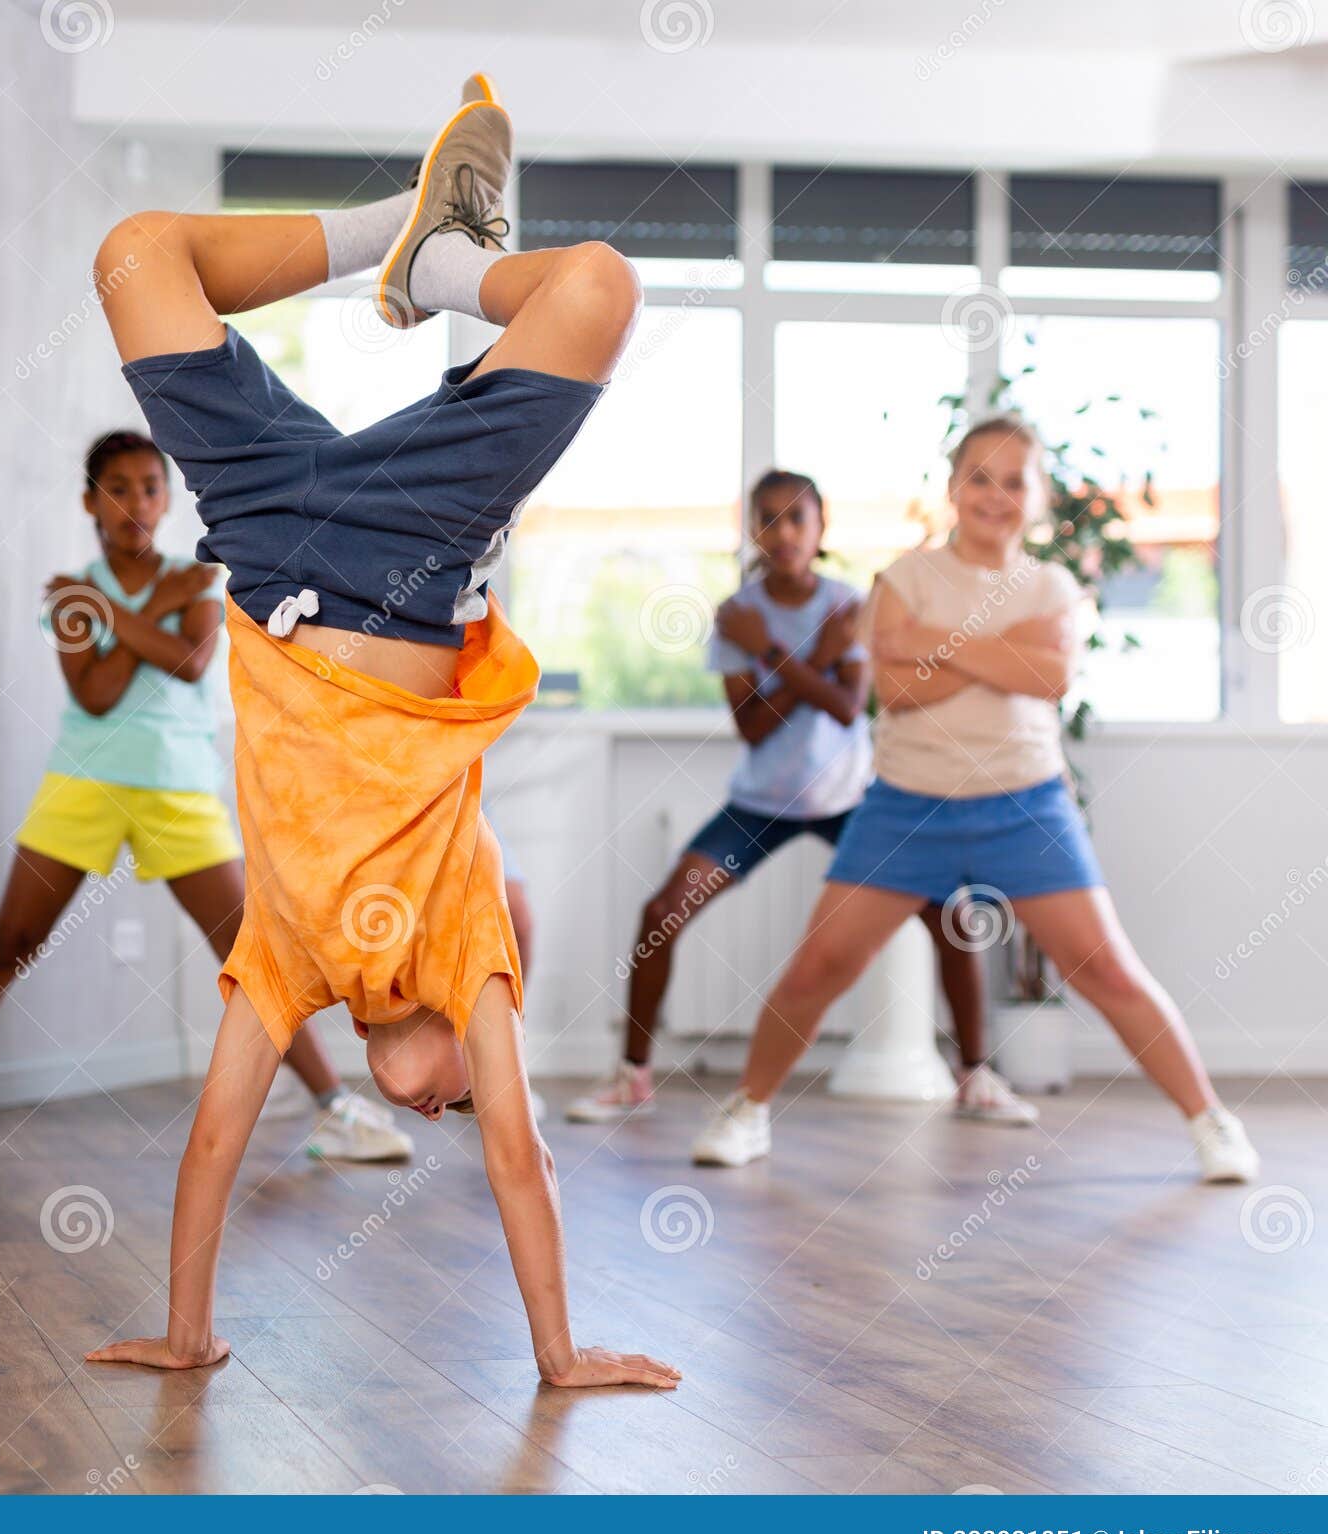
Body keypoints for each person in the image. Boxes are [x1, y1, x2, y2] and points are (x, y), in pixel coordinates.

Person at [83, 77, 680, 1389]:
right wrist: (562, 1352)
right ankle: (455, 263)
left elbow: (213, 1145)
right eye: (465, 1094)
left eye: (445, 1103)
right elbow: (522, 1156)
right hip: (416, 548)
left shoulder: (286, 956)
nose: (449, 1103)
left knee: (134, 255)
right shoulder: (472, 943)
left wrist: (189, 1338)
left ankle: (398, 235)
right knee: (598, 287)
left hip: (263, 537)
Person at [689, 416, 1260, 1183]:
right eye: (979, 478)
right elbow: (897, 690)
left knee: (1108, 971)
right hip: (904, 806)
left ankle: (1210, 1120)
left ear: (1039, 496)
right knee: (820, 963)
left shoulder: (1052, 585)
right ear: (954, 487)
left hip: (1024, 803)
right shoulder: (904, 579)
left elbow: (1049, 679)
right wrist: (1002, 651)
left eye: (1013, 481)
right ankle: (747, 1110)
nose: (994, 495)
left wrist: (935, 641)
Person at [0, 430, 411, 1168]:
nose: (136, 502)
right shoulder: (94, 590)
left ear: (167, 496)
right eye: (117, 487)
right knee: (8, 941)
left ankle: (337, 1109)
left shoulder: (184, 583)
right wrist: (152, 603)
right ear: (90, 499)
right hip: (82, 781)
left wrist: (114, 612)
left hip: (179, 787)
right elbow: (96, 694)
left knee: (251, 956)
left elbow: (189, 663)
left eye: (150, 486)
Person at [567, 469, 1021, 1134]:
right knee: (659, 912)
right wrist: (803, 656)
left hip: (851, 803)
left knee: (950, 913)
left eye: (796, 519)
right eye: (769, 518)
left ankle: (977, 1075)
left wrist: (774, 657)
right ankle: (632, 1075)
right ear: (754, 529)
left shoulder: (850, 606)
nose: (783, 533)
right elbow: (753, 727)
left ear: (820, 528)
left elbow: (844, 707)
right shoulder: (737, 618)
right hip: (760, 805)